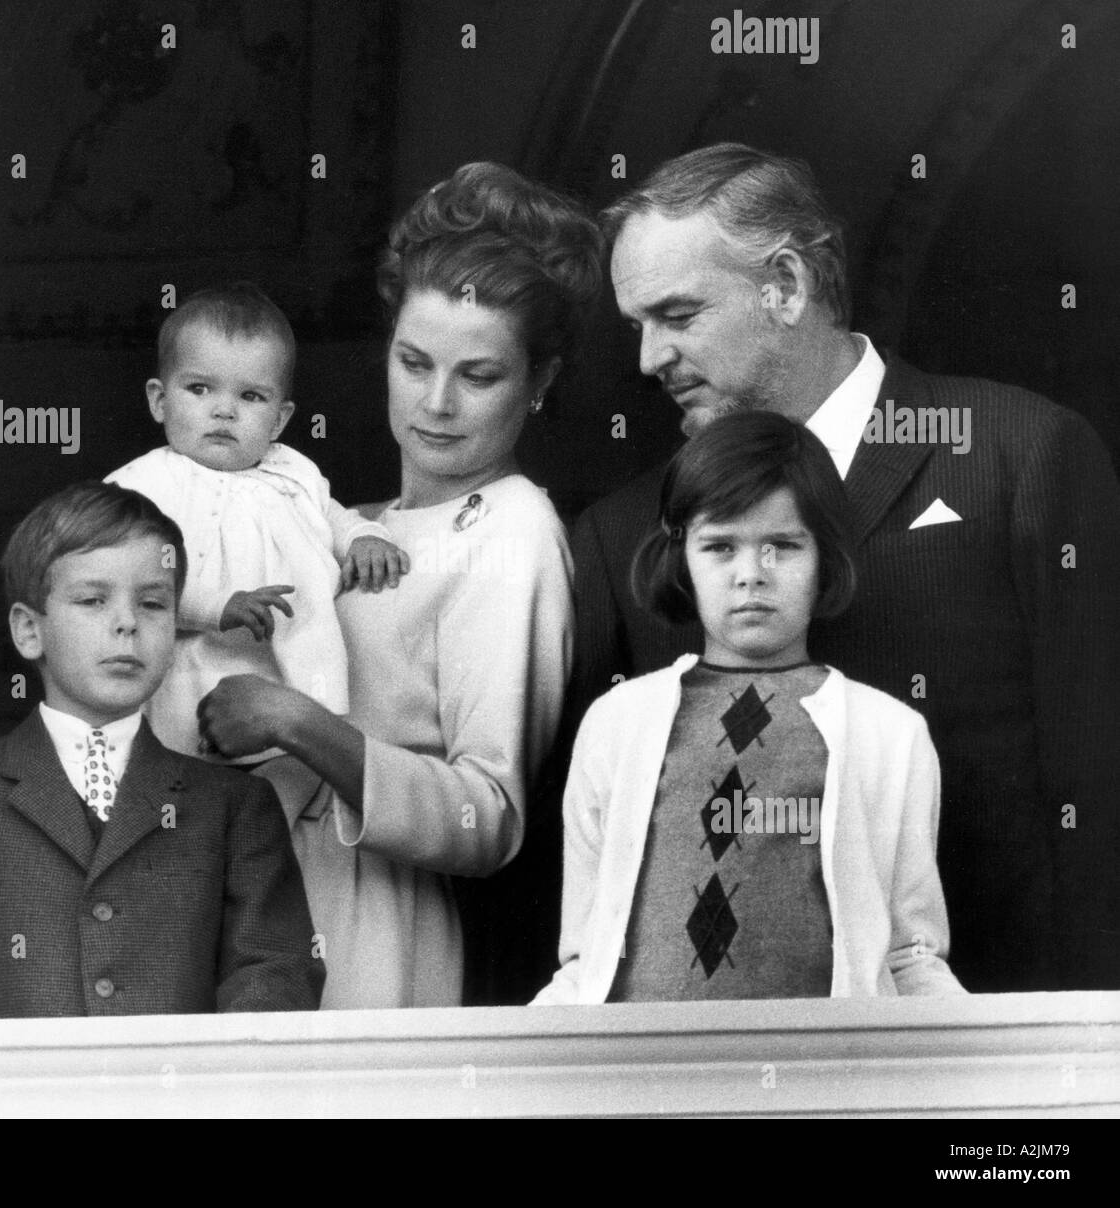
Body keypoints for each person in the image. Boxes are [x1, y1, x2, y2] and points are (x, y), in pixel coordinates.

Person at [568, 142, 1120, 992]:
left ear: (785, 284)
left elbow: (1098, 783)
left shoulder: (1021, 454)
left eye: (677, 315)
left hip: (998, 1043)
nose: (648, 359)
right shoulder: (625, 535)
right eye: (636, 326)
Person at [196, 162, 604, 1008]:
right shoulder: (334, 514)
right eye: (414, 362)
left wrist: (298, 725)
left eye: (479, 376)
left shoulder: (513, 529)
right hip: (238, 885)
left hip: (368, 912)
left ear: (541, 383)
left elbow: (488, 815)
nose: (437, 403)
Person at [0, 482, 322, 1019]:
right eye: (93, 600)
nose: (127, 622)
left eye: (154, 603)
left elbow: (276, 973)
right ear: (28, 630)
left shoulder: (238, 807)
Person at [534, 412, 964, 1003]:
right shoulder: (616, 724)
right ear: (681, 558)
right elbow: (586, 956)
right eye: (720, 547)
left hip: (820, 1076)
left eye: (782, 547)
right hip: (645, 1074)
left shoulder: (890, 733)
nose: (751, 575)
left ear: (825, 560)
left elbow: (911, 957)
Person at [106, 282, 409, 766]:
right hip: (192, 680)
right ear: (160, 400)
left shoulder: (294, 471)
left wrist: (363, 535)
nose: (224, 410)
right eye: (199, 388)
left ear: (279, 419)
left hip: (290, 693)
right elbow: (124, 583)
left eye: (250, 396)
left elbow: (329, 514)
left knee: (281, 806)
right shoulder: (142, 488)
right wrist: (218, 606)